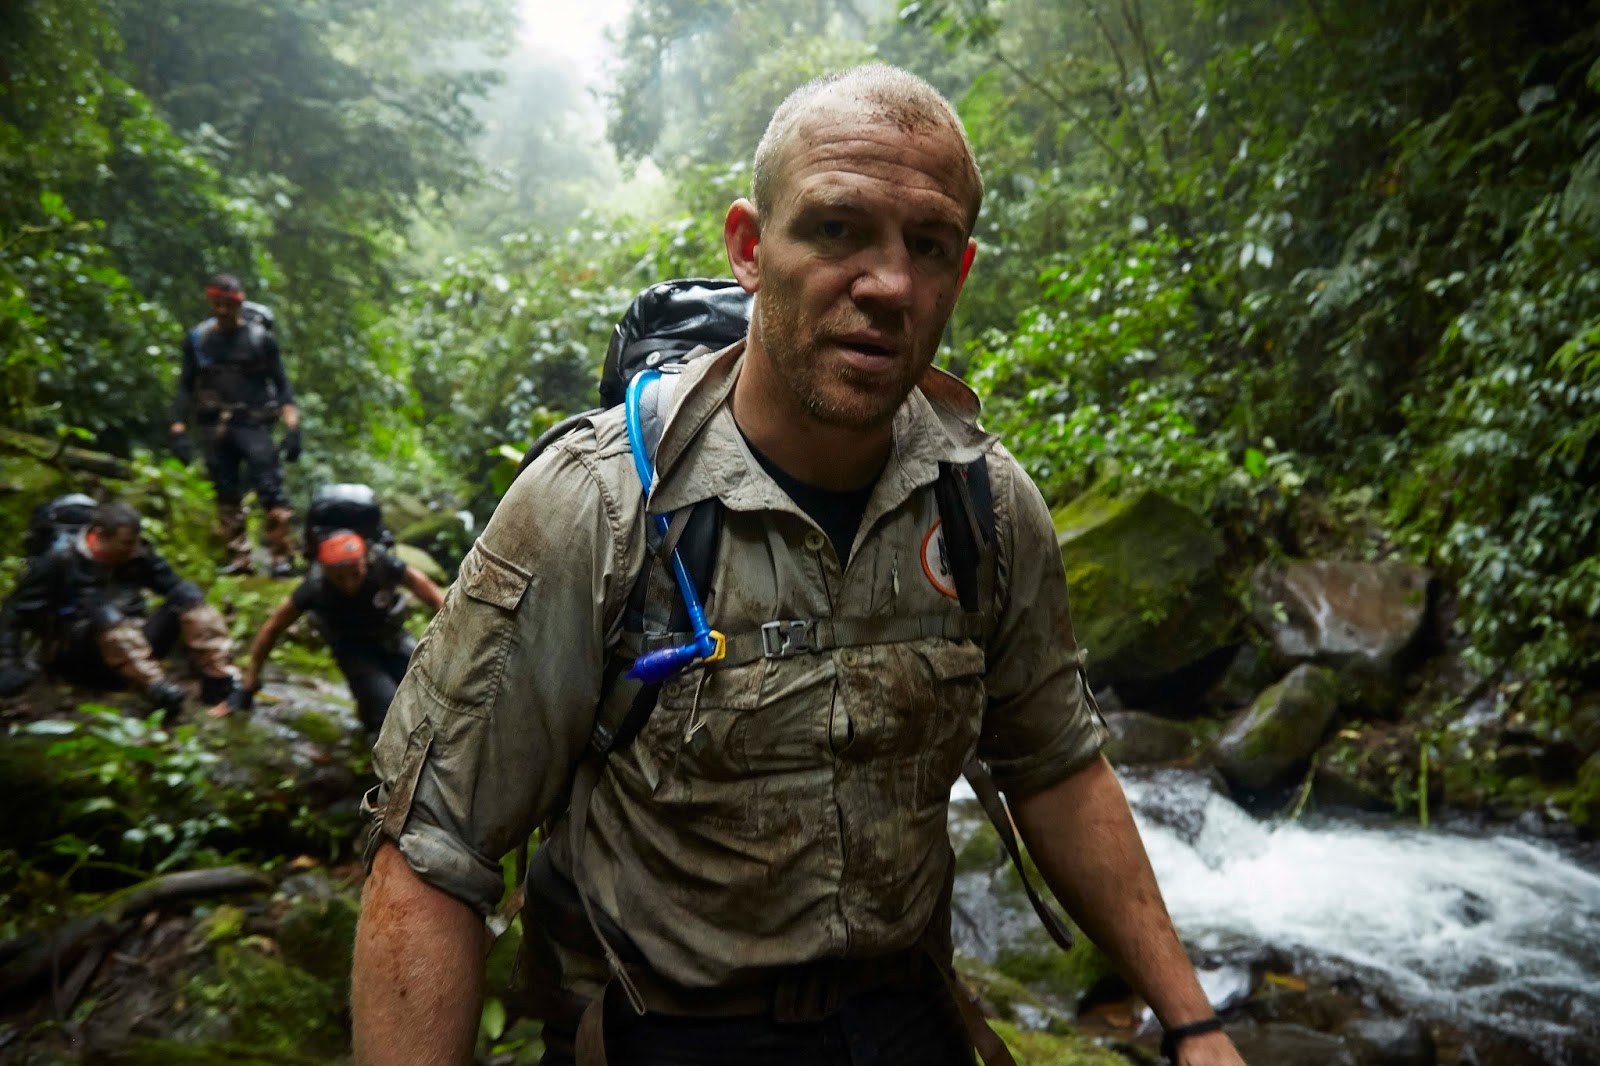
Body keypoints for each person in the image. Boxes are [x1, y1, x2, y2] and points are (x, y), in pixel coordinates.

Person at [351, 65, 1246, 1066]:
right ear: (749, 247)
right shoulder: (595, 507)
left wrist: (1193, 1022)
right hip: (667, 1035)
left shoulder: (985, 506)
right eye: (837, 228)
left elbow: (1056, 765)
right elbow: (434, 848)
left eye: (928, 246)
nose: (889, 285)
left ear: (959, 272)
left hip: (907, 1019)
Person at [0, 501, 239, 715]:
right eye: (125, 543)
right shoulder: (59, 561)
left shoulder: (138, 554)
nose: (133, 550)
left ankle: (218, 677)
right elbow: (14, 614)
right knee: (101, 610)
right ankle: (155, 687)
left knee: (188, 597)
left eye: (135, 542)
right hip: (80, 655)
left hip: (135, 642)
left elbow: (175, 588)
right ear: (98, 536)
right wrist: (7, 664)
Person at [237, 530, 444, 735]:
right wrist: (251, 677)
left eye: (355, 573)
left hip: (392, 639)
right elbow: (273, 627)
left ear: (364, 561)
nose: (349, 584)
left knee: (432, 691)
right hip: (354, 651)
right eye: (339, 577)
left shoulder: (382, 564)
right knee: (390, 708)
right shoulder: (315, 586)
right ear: (326, 570)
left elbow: (430, 592)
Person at [170, 272, 301, 578]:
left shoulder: (260, 340)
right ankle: (239, 558)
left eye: (228, 305)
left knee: (270, 488)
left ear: (239, 303)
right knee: (225, 490)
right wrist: (177, 428)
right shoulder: (199, 340)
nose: (222, 311)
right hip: (215, 426)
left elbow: (282, 385)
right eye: (217, 304)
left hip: (253, 423)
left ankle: (281, 557)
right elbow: (185, 386)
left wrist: (293, 428)